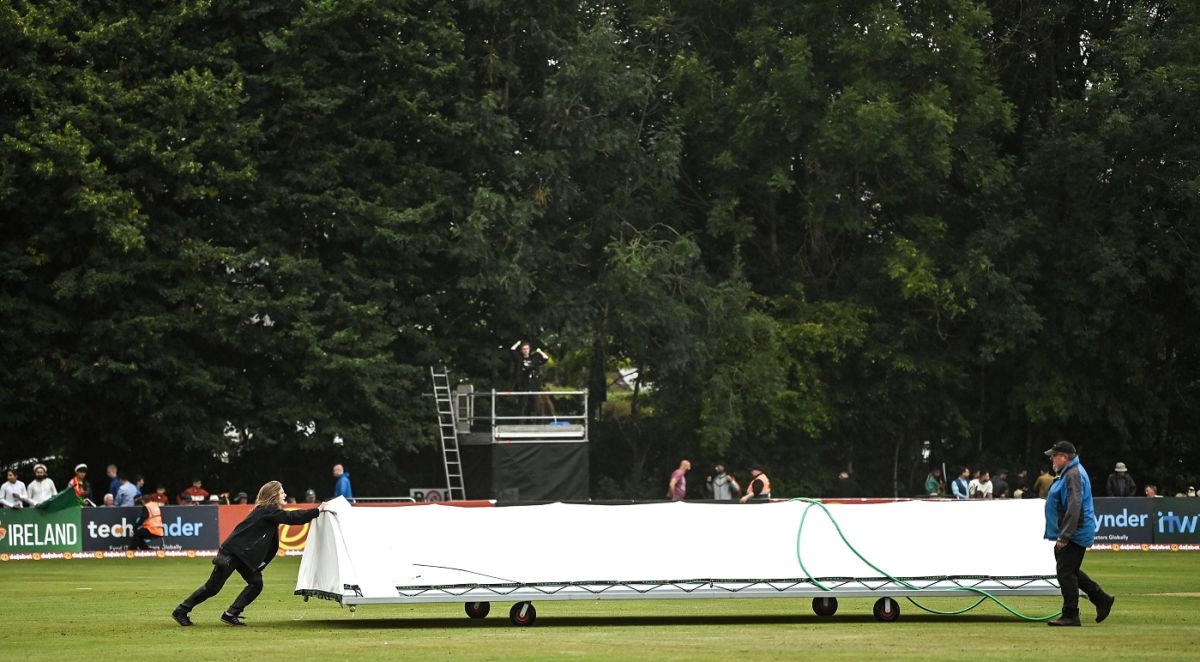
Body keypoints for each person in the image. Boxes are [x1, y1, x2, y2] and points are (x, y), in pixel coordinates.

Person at [172, 481, 324, 626]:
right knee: (212, 588)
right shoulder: (268, 511)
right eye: (282, 492)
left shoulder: (267, 511)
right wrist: (318, 510)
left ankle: (231, 614)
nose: (285, 495)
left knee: (256, 584)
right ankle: (181, 611)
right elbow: (292, 517)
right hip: (231, 554)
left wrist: (260, 564)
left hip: (243, 556)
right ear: (273, 494)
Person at [1042, 440, 1114, 626]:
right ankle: (1101, 599)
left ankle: (1071, 615)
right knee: (1069, 569)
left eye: (1054, 455)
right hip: (1075, 529)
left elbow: (1075, 507)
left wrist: (1065, 535)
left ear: (1065, 457)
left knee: (1065, 572)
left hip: (1076, 531)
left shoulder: (1073, 474)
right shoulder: (1070, 472)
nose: (1051, 458)